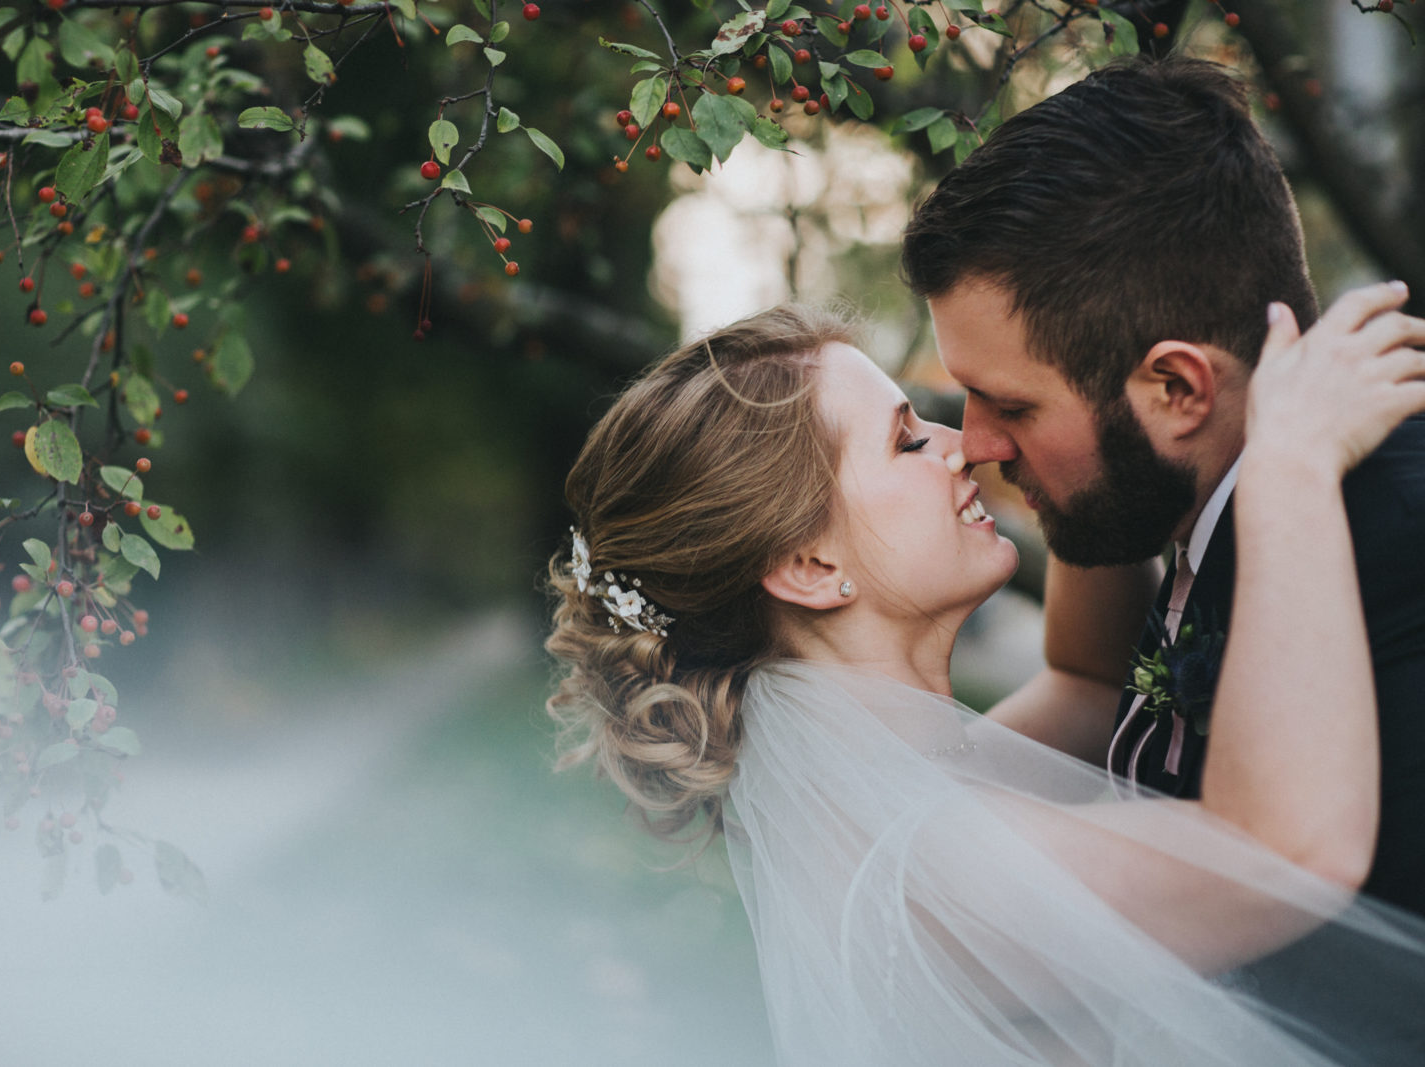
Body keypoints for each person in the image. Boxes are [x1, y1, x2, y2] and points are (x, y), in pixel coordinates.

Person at [545, 300, 1425, 1064]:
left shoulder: (905, 786)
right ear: (812, 564)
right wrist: (1290, 462)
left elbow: (1087, 682)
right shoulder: (926, 871)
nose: (964, 445)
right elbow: (1278, 856)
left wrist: (1078, 429)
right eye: (904, 439)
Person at [901, 57, 1425, 917]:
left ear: (1179, 390)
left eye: (1013, 405)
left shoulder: (1398, 545)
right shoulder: (1185, 503)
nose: (980, 446)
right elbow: (1094, 678)